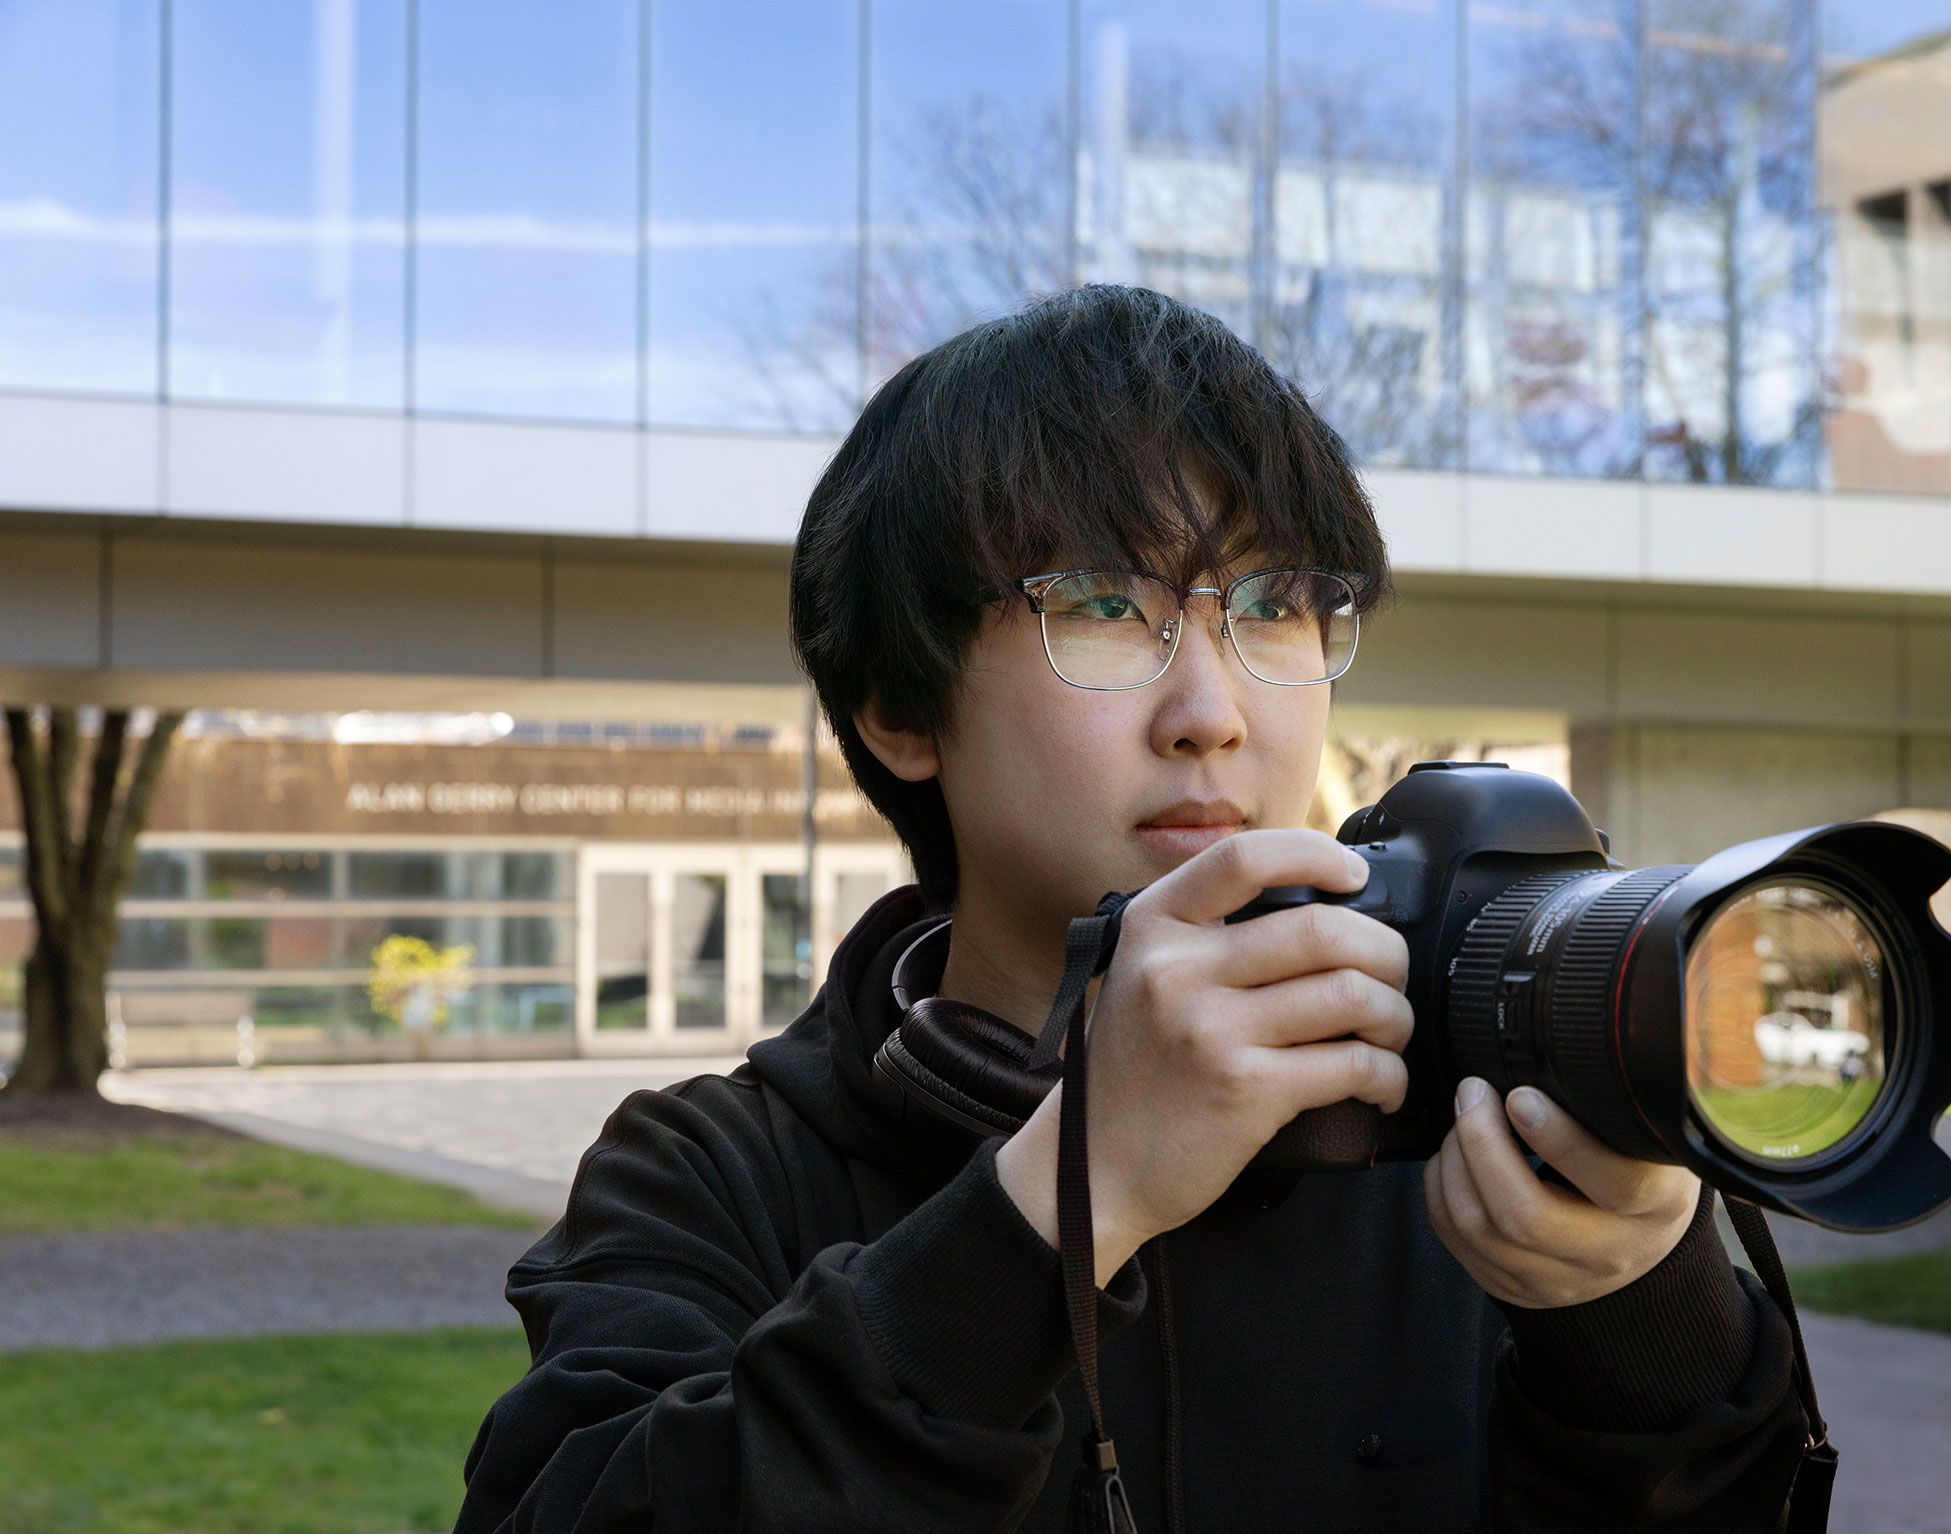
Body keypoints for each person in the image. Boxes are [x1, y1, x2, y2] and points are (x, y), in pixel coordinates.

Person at [454, 286, 1806, 1533]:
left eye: (1272, 604)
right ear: (899, 706)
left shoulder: (1450, 1137)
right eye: (1103, 605)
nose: (1211, 715)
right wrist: (1065, 1194)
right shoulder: (715, 1172)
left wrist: (1643, 1308)